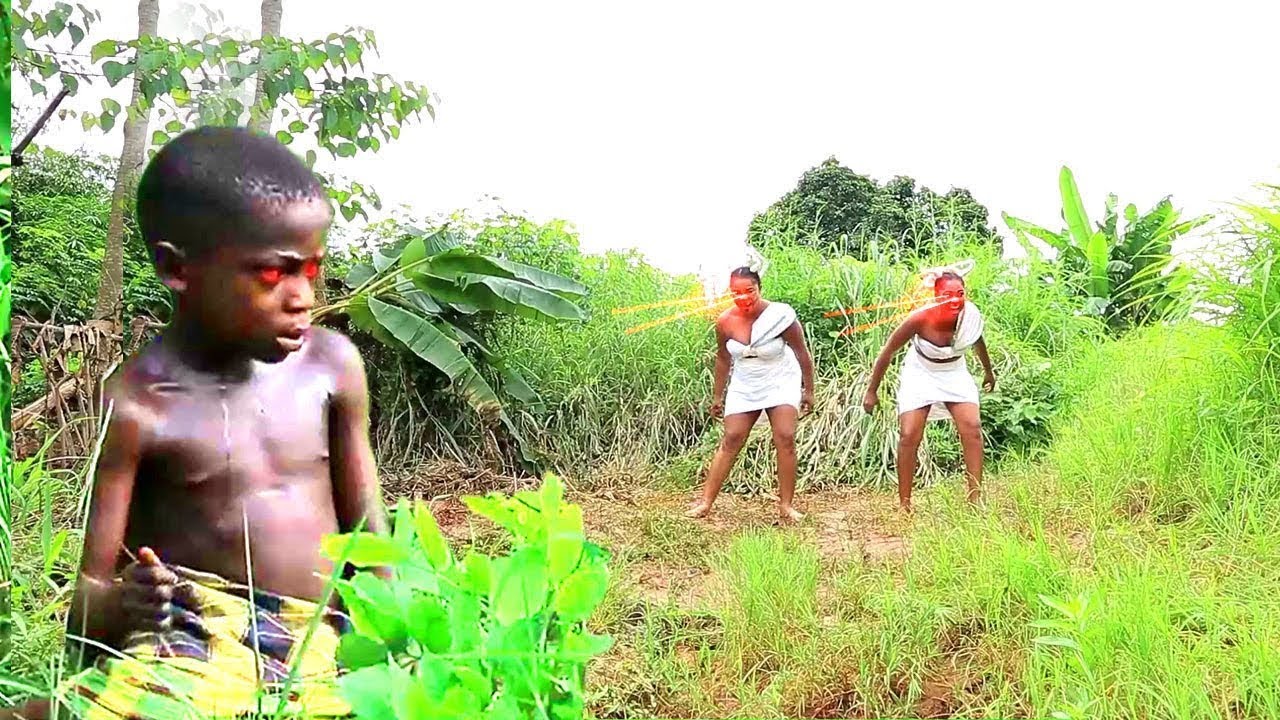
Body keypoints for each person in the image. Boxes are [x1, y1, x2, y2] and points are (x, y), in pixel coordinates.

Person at [4, 126, 389, 720]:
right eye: (272, 273)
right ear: (175, 268)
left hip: (324, 634)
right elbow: (87, 601)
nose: (301, 297)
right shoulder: (138, 403)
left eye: (309, 270)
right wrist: (126, 606)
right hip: (192, 636)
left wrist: (399, 636)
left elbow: (371, 533)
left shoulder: (332, 367)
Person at [686, 267, 815, 523]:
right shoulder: (725, 321)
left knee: (785, 436)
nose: (743, 298)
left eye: (749, 291)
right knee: (732, 437)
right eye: (736, 293)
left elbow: (802, 353)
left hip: (780, 378)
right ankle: (705, 502)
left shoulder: (780, 316)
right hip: (745, 382)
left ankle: (786, 506)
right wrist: (717, 395)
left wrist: (808, 390)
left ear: (759, 288)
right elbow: (723, 358)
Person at [863, 269, 996, 513]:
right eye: (948, 294)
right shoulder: (919, 318)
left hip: (955, 373)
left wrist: (988, 371)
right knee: (909, 433)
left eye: (960, 294)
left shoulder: (969, 316)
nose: (955, 300)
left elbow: (978, 341)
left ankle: (975, 499)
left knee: (972, 428)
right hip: (920, 373)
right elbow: (888, 351)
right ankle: (905, 504)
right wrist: (872, 390)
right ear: (936, 296)